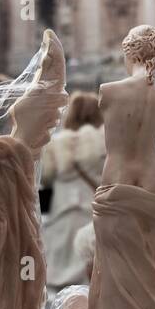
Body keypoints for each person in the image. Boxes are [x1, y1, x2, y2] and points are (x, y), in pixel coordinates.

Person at [39, 91, 105, 292]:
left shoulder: (55, 143)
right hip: (92, 205)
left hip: (61, 207)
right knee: (90, 260)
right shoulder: (104, 141)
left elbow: (46, 179)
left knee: (59, 266)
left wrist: (43, 213)